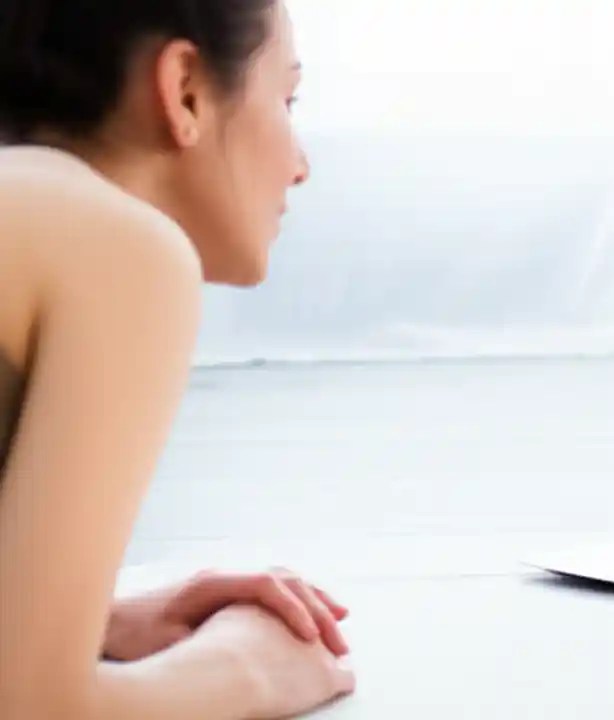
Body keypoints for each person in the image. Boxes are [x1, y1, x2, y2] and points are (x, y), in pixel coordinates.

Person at [1, 2, 357, 718]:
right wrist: (250, 667)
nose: (300, 166)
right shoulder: (116, 243)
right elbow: (33, 706)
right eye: (286, 99)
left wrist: (95, 620)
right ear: (186, 87)